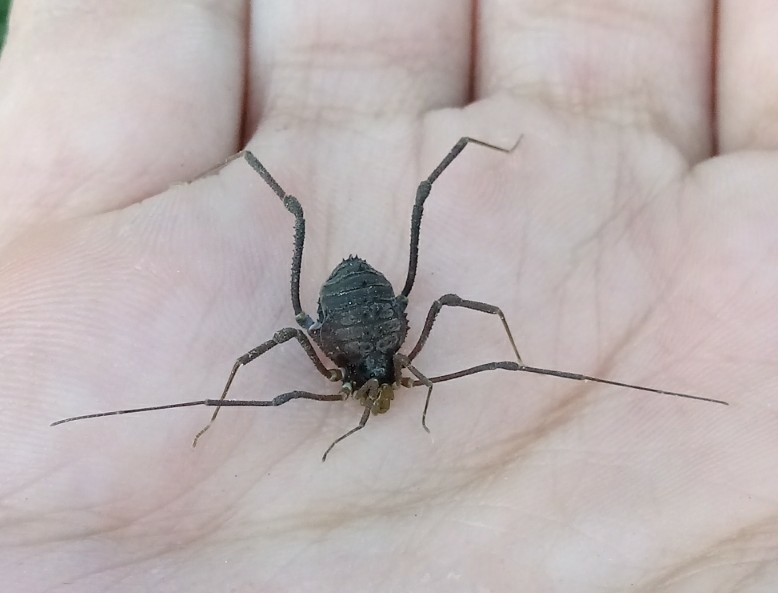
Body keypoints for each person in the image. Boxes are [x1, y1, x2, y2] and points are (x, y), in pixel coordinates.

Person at [0, 2, 774, 591]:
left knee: (427, 232)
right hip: (346, 310)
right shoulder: (340, 363)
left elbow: (464, 310)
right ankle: (202, 408)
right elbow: (275, 346)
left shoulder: (394, 360)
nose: (390, 388)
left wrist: (504, 352)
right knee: (294, 248)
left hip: (366, 310)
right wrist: (223, 400)